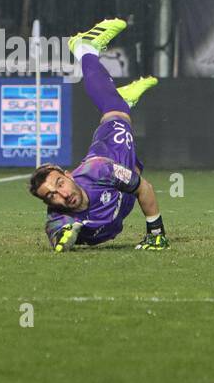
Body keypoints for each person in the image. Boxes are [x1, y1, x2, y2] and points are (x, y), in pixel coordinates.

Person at [27, 18, 168, 252]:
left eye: (60, 183)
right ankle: (121, 100)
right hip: (122, 185)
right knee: (131, 164)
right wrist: (63, 237)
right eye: (52, 196)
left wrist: (156, 234)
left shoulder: (98, 171)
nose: (61, 194)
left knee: (116, 112)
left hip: (110, 150)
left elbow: (145, 188)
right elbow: (58, 239)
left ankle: (85, 48)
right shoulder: (58, 217)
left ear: (68, 175)